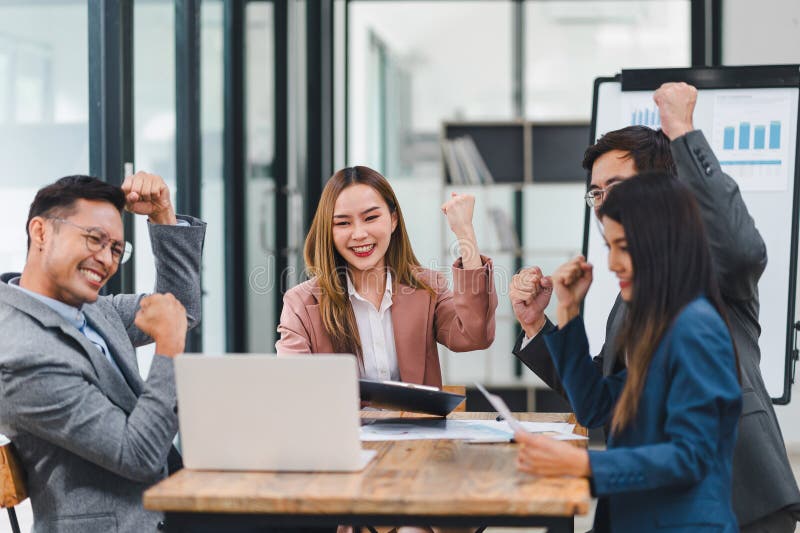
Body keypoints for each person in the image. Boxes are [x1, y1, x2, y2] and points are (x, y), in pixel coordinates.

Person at [510, 82, 800, 531]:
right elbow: (601, 403)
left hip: (742, 498)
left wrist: (682, 131)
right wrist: (547, 322)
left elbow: (743, 248)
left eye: (617, 187)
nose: (605, 202)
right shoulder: (633, 303)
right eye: (596, 193)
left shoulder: (708, 269)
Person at [515, 173, 742, 532]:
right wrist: (569, 312)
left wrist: (585, 466)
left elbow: (691, 455)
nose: (612, 263)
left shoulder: (696, 327)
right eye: (610, 248)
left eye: (624, 246)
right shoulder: (653, 322)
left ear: (663, 243)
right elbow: (595, 406)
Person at [0, 173, 206, 533]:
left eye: (115, 249)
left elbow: (179, 310)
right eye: (94, 239)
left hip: (171, 504)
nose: (106, 260)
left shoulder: (89, 308)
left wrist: (162, 216)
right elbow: (138, 456)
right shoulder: (21, 355)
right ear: (41, 232)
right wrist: (168, 350)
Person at [276, 165, 497, 387]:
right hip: (341, 422)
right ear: (329, 231)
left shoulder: (428, 288)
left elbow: (474, 335)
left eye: (370, 218)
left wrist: (465, 232)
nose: (360, 234)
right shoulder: (300, 304)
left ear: (393, 220)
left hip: (415, 422)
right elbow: (292, 389)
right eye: (343, 223)